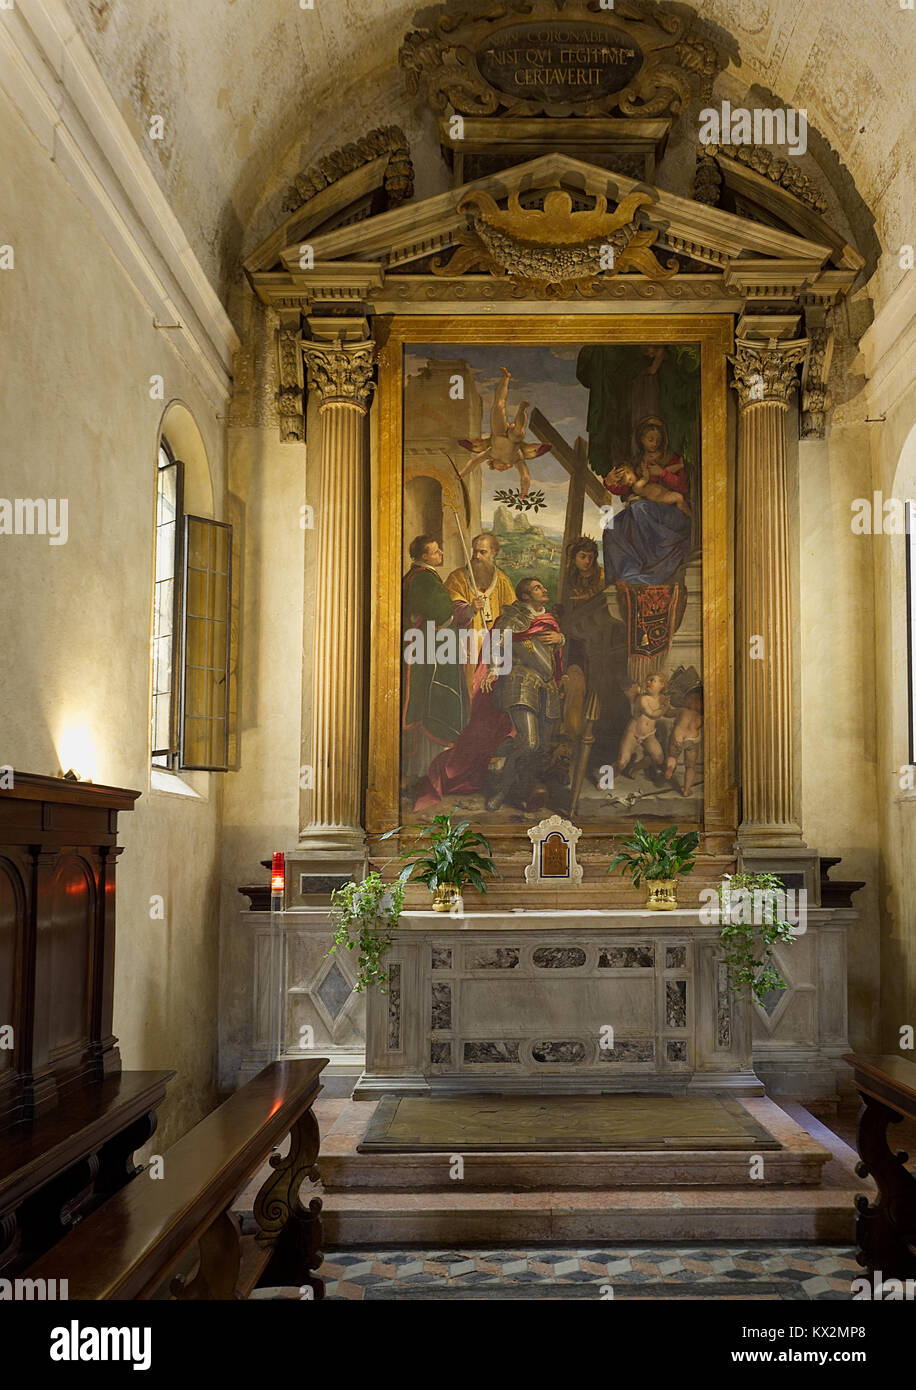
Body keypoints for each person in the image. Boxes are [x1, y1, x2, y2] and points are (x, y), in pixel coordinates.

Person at [481, 577, 565, 812]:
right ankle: (501, 790)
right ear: (526, 596)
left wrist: (561, 639)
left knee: (540, 748)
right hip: (521, 682)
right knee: (529, 743)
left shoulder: (548, 620)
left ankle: (520, 789)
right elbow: (496, 642)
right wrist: (493, 669)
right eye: (538, 587)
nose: (544, 589)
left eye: (542, 585)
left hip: (547, 688)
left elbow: (552, 652)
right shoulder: (512, 618)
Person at [401, 535, 468, 785]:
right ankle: (428, 772)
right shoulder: (423, 578)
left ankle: (427, 771)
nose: (441, 554)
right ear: (424, 556)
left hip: (426, 647)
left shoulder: (420, 576)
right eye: (436, 551)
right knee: (431, 701)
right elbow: (442, 613)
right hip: (429, 650)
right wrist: (464, 612)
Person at [445, 532, 516, 694]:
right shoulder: (457, 578)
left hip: (495, 644)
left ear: (493, 553)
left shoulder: (503, 581)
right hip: (467, 644)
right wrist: (469, 609)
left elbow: (512, 614)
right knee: (469, 688)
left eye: (482, 552)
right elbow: (448, 609)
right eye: (474, 551)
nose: (476, 556)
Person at [614, 670, 671, 781]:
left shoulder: (663, 699)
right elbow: (652, 714)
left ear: (662, 684)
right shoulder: (643, 698)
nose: (648, 682)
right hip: (633, 732)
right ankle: (608, 778)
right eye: (647, 680)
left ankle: (635, 767)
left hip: (649, 735)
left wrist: (680, 712)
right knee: (622, 762)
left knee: (659, 759)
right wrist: (665, 707)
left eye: (652, 680)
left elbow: (668, 713)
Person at [665, 686, 703, 796]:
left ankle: (670, 767)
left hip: (678, 737)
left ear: (687, 699)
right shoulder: (701, 716)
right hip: (693, 740)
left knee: (673, 756)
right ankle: (686, 790)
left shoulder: (681, 710)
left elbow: (667, 713)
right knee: (690, 767)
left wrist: (666, 704)